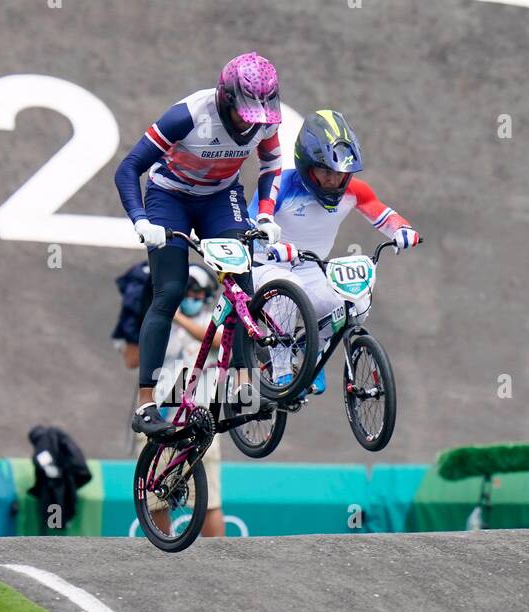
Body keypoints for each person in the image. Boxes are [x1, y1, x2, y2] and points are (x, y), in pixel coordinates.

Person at [115, 52, 284, 439]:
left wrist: (266, 214)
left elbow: (272, 165)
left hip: (218, 199)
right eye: (243, 113)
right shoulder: (188, 115)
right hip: (168, 198)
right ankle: (146, 403)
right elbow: (128, 169)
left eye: (258, 116)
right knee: (169, 291)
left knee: (242, 283)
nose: (250, 123)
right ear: (226, 98)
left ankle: (242, 383)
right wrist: (141, 220)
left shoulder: (263, 121)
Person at [250, 110, 420, 396]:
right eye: (326, 172)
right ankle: (281, 373)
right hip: (267, 267)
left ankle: (309, 349)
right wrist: (271, 247)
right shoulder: (280, 185)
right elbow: (251, 226)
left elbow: (384, 216)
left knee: (349, 308)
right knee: (288, 292)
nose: (334, 181)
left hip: (310, 268)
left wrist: (403, 231)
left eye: (341, 174)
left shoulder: (355, 190)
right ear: (307, 166)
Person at [132, 265, 227, 537]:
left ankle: (218, 559)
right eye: (188, 291)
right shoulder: (159, 322)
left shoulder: (213, 320)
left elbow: (219, 341)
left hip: (199, 421)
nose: (193, 296)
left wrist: (179, 318)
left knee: (208, 501)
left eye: (199, 292)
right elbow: (132, 357)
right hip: (160, 419)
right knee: (155, 498)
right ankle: (164, 555)